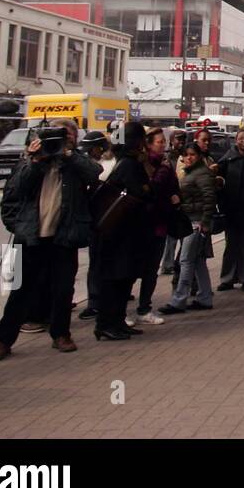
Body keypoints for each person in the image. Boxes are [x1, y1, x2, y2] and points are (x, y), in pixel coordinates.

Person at [0, 119, 100, 360]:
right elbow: (15, 191)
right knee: (21, 291)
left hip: (63, 236)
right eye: (56, 136)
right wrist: (36, 160)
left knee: (62, 290)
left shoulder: (74, 163)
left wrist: (69, 153)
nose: (60, 140)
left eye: (67, 135)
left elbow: (94, 173)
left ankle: (61, 334)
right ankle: (4, 340)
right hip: (31, 237)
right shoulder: (32, 162)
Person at [93, 122, 154, 341]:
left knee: (123, 277)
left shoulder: (125, 162)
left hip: (122, 232)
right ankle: (106, 324)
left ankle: (116, 322)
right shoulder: (130, 165)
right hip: (120, 232)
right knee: (115, 279)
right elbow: (143, 193)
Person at [159, 143, 216, 314]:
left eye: (192, 154)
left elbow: (209, 198)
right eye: (186, 155)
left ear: (199, 156)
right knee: (197, 261)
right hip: (192, 220)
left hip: (196, 222)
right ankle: (204, 297)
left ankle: (179, 300)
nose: (189, 158)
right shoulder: (192, 172)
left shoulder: (201, 174)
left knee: (186, 260)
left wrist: (205, 222)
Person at [131, 127, 179, 326]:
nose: (163, 145)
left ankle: (144, 308)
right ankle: (121, 311)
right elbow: (151, 189)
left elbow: (173, 190)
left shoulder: (165, 165)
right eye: (159, 142)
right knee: (132, 270)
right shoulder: (139, 165)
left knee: (151, 270)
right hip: (140, 225)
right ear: (149, 143)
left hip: (159, 224)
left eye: (164, 142)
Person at [216, 129, 244, 291]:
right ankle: (228, 278)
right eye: (241, 139)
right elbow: (218, 176)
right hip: (231, 208)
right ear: (236, 140)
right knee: (231, 245)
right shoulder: (228, 157)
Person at [76, 130, 109, 321]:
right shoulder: (88, 164)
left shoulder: (108, 163)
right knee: (95, 263)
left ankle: (98, 301)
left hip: (105, 219)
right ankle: (94, 302)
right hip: (94, 220)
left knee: (100, 263)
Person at [159, 129, 188, 274]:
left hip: (184, 200)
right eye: (178, 139)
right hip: (171, 200)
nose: (181, 142)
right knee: (170, 237)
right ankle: (167, 264)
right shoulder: (167, 157)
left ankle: (178, 262)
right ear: (171, 141)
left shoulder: (187, 156)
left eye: (183, 139)